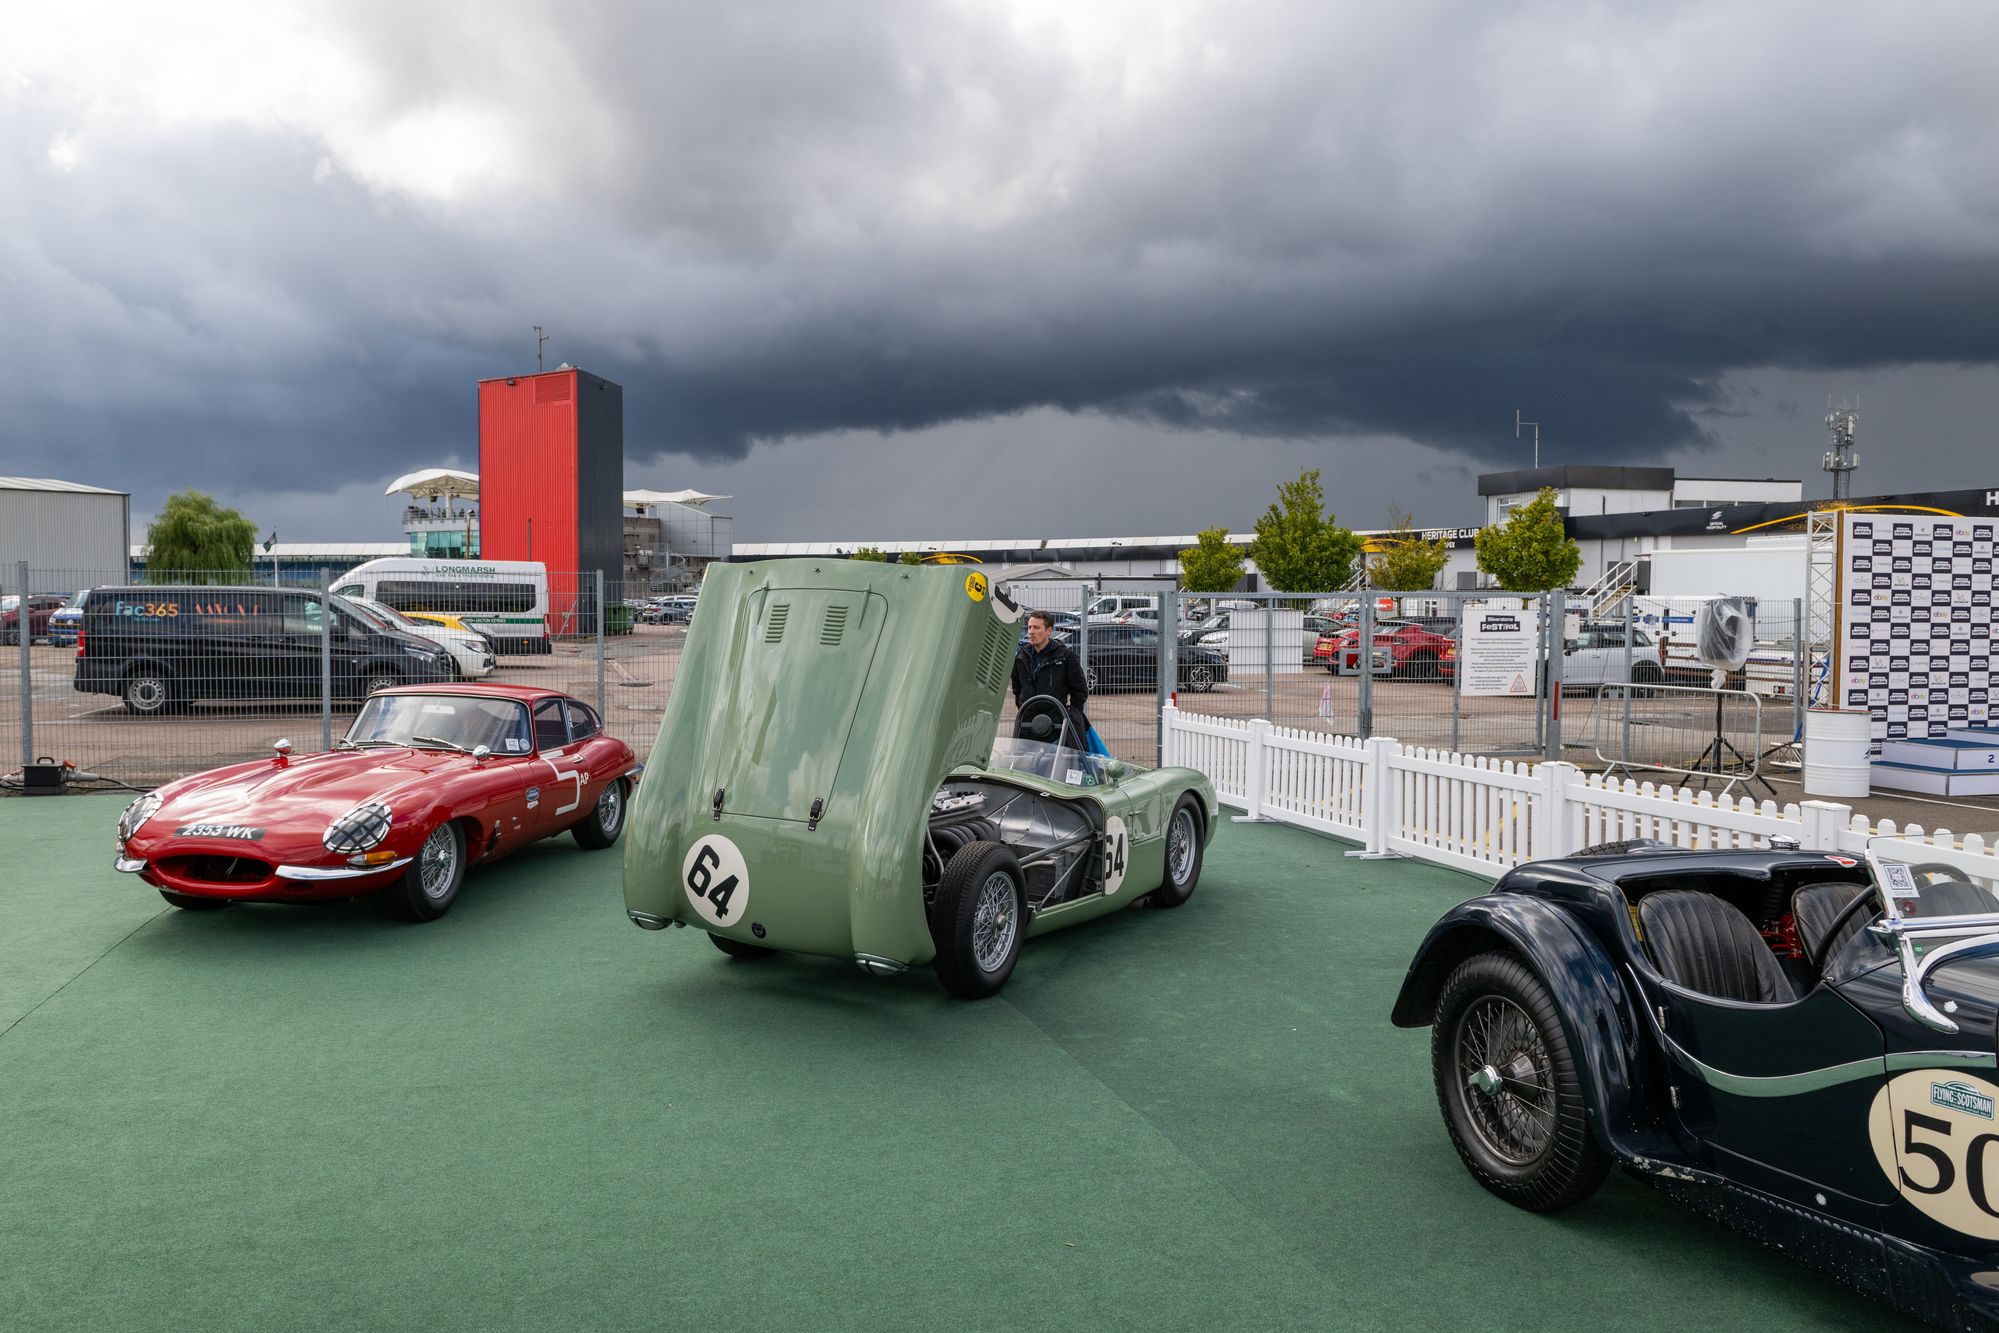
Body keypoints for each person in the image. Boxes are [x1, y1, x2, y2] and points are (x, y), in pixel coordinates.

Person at [1012, 611, 1090, 745]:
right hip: (1027, 727)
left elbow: (1080, 689)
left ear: (1049, 631)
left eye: (1036, 628)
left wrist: (1072, 716)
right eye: (1029, 627)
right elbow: (1017, 688)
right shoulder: (1021, 657)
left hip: (1057, 729)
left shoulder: (1065, 656)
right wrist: (1023, 709)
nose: (1031, 631)